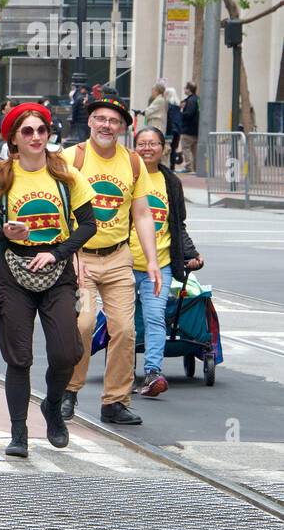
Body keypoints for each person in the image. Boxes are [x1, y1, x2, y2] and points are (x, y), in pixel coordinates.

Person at [0, 102, 97, 457]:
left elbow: (89, 224)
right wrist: (4, 230)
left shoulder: (65, 175)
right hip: (14, 272)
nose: (36, 137)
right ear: (14, 139)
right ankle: (18, 433)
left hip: (57, 270)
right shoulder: (2, 176)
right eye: (27, 131)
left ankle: (53, 406)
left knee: (66, 352)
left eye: (41, 130)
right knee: (19, 358)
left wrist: (58, 253)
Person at [60, 95, 161, 427]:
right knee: (84, 323)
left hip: (118, 258)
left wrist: (152, 262)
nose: (106, 125)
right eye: (101, 119)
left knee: (125, 330)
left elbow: (143, 214)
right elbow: (58, 211)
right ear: (90, 122)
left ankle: (115, 401)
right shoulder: (71, 158)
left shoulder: (132, 163)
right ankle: (69, 390)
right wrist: (69, 255)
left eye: (114, 121)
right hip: (81, 258)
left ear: (122, 128)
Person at [131, 127, 204, 398]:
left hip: (159, 263)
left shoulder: (171, 182)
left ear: (163, 148)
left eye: (153, 144)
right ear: (134, 147)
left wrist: (190, 254)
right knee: (124, 324)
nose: (147, 148)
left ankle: (152, 373)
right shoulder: (129, 176)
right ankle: (123, 373)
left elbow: (177, 225)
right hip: (124, 262)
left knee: (154, 318)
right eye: (142, 143)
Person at [178, 82, 199, 173]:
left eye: (185, 88)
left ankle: (188, 167)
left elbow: (188, 114)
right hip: (196, 129)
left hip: (188, 129)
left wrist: (181, 111)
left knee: (186, 148)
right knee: (194, 150)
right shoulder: (197, 99)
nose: (184, 89)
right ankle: (195, 168)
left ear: (189, 89)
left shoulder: (190, 101)